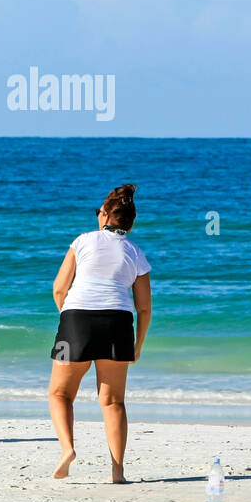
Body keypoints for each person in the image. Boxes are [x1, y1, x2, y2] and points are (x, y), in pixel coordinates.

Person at [48, 183, 152, 483]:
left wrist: (70, 320)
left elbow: (59, 289)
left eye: (98, 212)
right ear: (129, 223)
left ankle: (68, 449)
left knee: (60, 393)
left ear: (105, 215)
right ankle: (117, 471)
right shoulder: (135, 252)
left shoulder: (82, 241)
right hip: (118, 324)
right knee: (113, 401)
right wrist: (137, 345)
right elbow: (144, 308)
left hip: (76, 320)